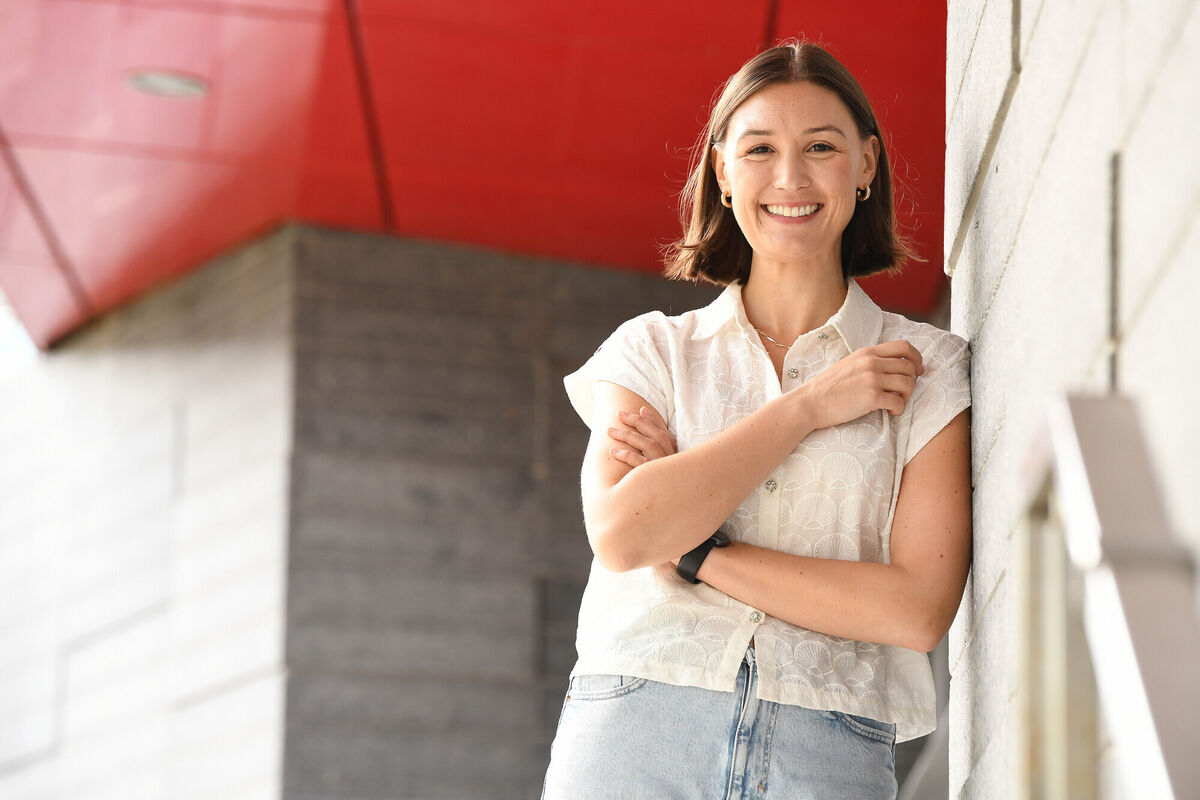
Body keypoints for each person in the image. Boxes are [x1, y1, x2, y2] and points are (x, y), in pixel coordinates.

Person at [541, 39, 971, 800]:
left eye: (821, 147)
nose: (790, 178)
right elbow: (624, 535)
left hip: (827, 746)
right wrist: (808, 408)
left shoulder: (927, 367)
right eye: (760, 149)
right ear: (722, 172)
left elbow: (914, 610)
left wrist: (698, 553)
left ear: (867, 164)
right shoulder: (653, 352)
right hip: (636, 726)